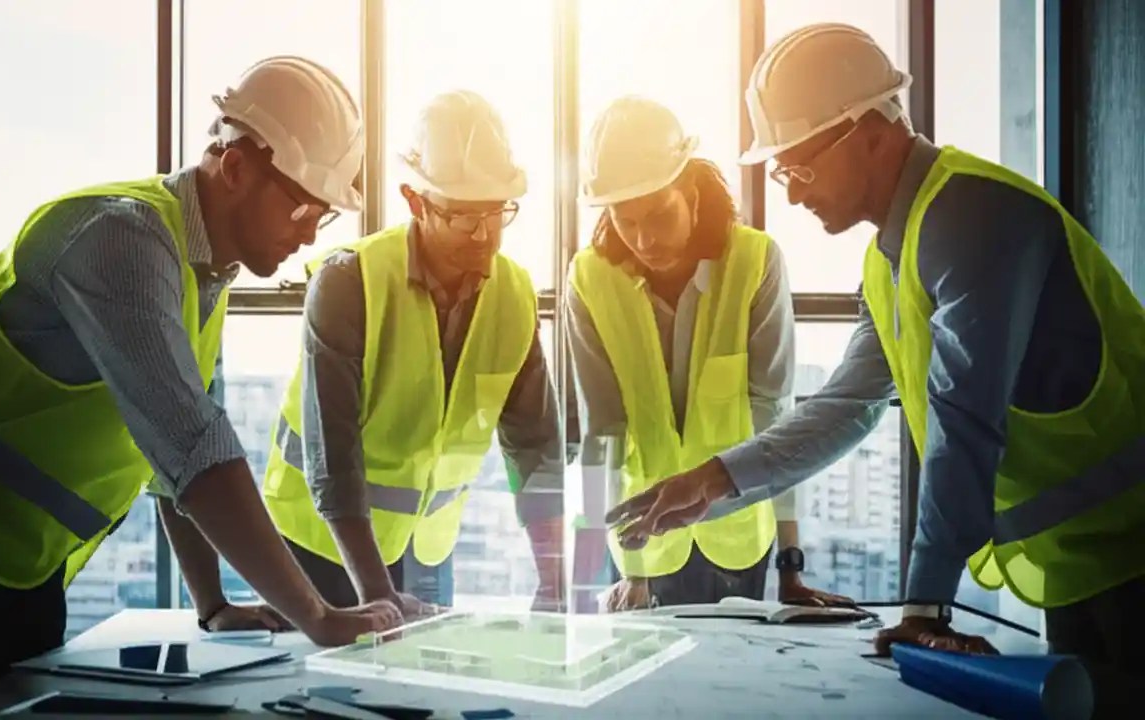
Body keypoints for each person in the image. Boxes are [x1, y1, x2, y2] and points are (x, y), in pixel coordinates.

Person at [605, 22, 1144, 711]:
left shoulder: (973, 215)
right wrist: (712, 482)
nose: (791, 194)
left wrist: (925, 605)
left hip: (1135, 541)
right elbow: (846, 406)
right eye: (782, 172)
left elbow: (963, 422)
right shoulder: (890, 257)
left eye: (799, 167)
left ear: (871, 132)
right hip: (1082, 561)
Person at [0, 56, 402, 717]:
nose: (309, 232)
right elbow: (194, 449)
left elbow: (170, 464)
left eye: (323, 216)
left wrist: (212, 605)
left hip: (19, 571)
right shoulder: (123, 239)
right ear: (236, 168)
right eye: (302, 207)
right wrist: (316, 615)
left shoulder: (201, 275)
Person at [262, 90, 566, 617]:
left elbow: (535, 447)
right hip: (320, 547)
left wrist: (554, 581)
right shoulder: (349, 283)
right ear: (415, 201)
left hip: (427, 550)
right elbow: (333, 460)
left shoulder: (514, 295)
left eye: (496, 212)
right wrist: (376, 594)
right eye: (462, 215)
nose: (484, 234)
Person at [568, 96, 853, 612]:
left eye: (659, 214)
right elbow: (602, 431)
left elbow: (773, 415)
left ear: (693, 193)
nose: (643, 239)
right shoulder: (589, 279)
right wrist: (619, 570)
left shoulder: (754, 262)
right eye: (625, 220)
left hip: (738, 530)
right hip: (641, 541)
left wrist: (791, 566)